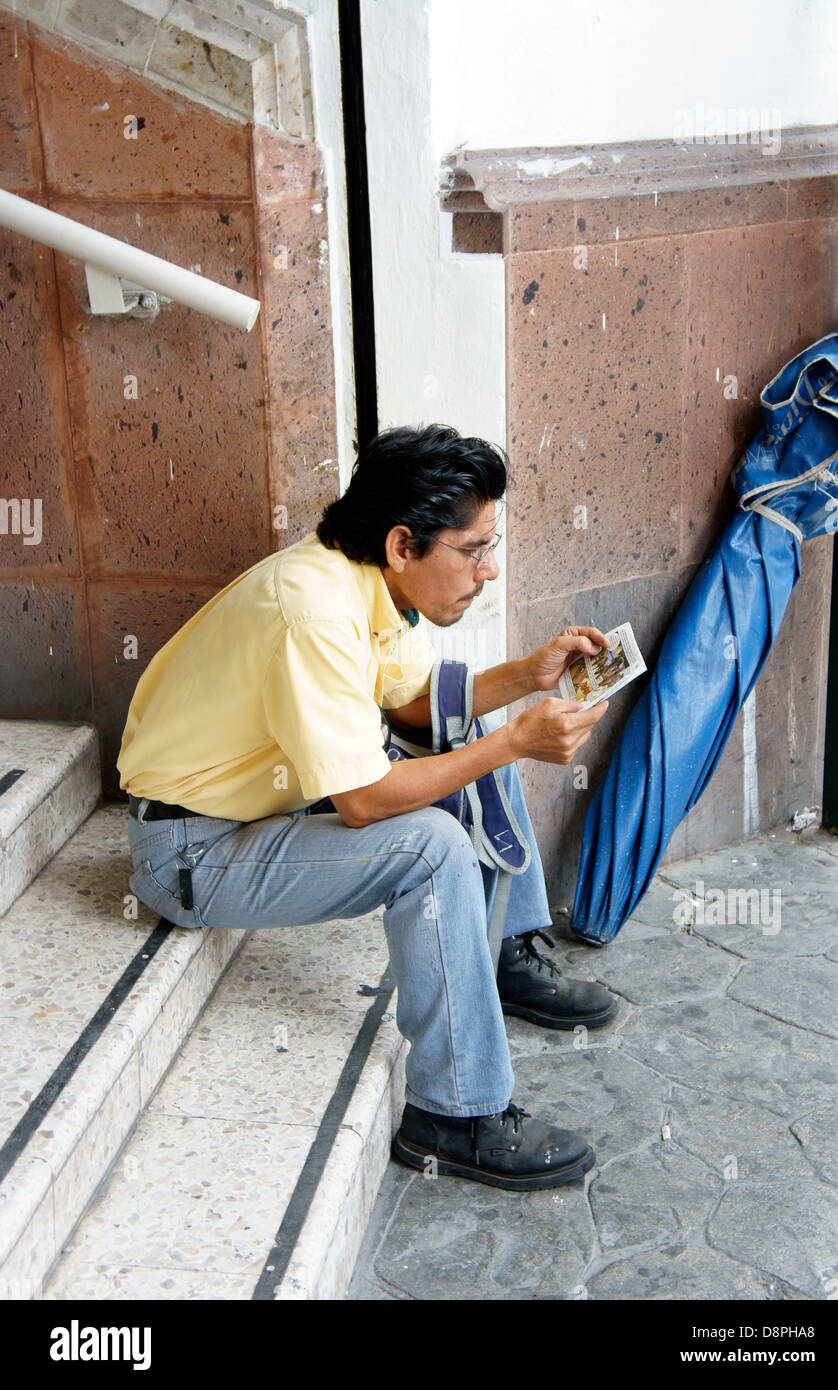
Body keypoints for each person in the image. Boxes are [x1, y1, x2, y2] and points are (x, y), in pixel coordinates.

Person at [118, 424, 615, 1192]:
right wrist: (517, 743)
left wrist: (528, 675)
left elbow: (417, 705)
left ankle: (498, 955)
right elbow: (361, 802)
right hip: (192, 854)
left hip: (266, 810)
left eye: (491, 544)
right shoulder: (313, 611)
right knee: (433, 845)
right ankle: (452, 1117)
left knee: (465, 721)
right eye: (472, 549)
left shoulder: (358, 578)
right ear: (401, 545)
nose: (486, 571)